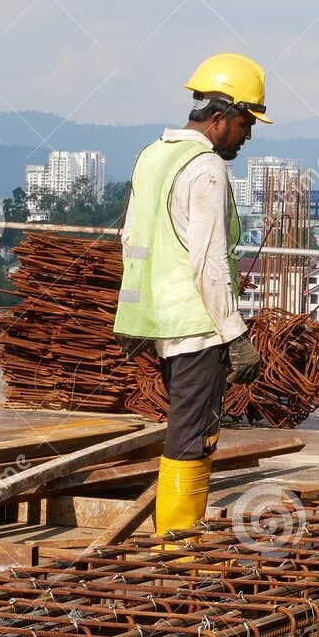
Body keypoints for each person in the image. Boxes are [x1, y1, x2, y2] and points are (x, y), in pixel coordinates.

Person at [113, 52, 271, 534]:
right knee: (194, 436)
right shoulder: (207, 169)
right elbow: (206, 261)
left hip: (160, 323)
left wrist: (135, 311)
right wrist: (234, 335)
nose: (248, 135)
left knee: (183, 428)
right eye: (245, 122)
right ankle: (176, 547)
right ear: (221, 116)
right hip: (197, 328)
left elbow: (131, 240)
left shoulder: (153, 155)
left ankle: (173, 539)